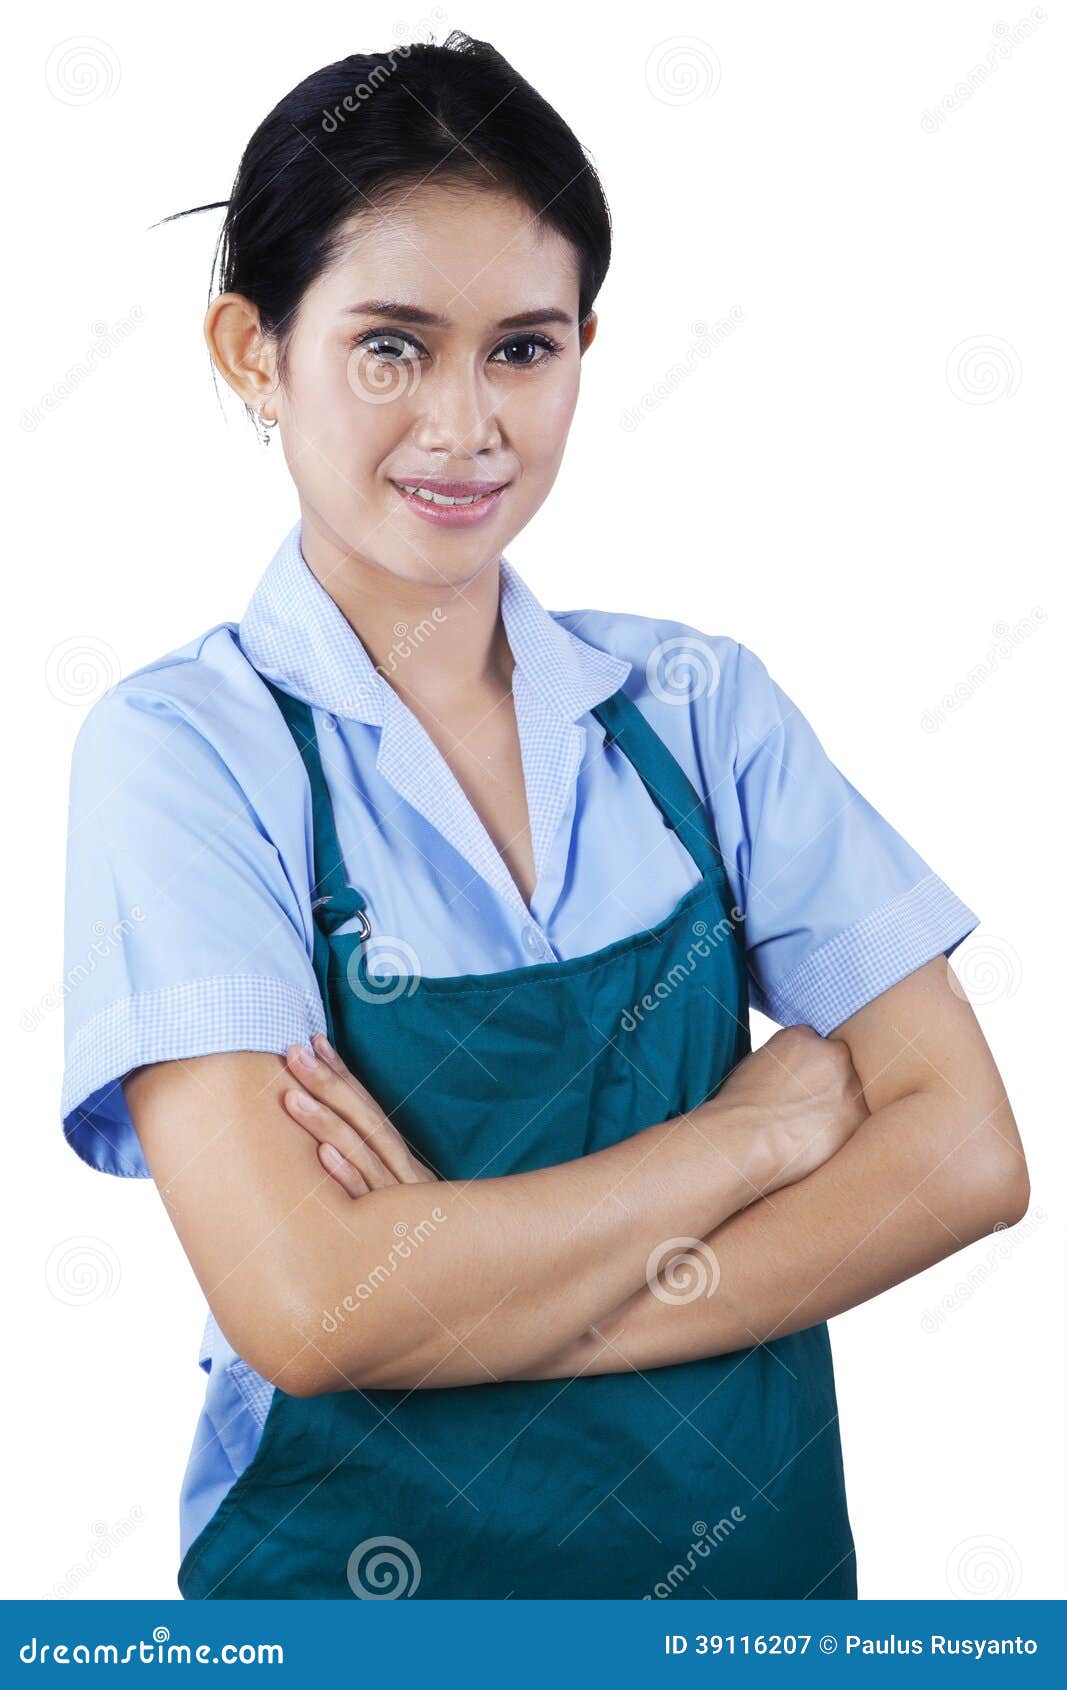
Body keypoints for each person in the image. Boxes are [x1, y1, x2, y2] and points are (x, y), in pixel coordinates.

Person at [60, 33, 1028, 1601]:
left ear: (586, 346)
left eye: (523, 348)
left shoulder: (701, 709)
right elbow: (306, 1306)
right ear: (252, 350)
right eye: (391, 345)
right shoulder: (185, 751)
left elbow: (967, 1154)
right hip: (361, 1616)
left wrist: (449, 1290)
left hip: (746, 1606)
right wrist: (750, 1136)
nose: (466, 424)